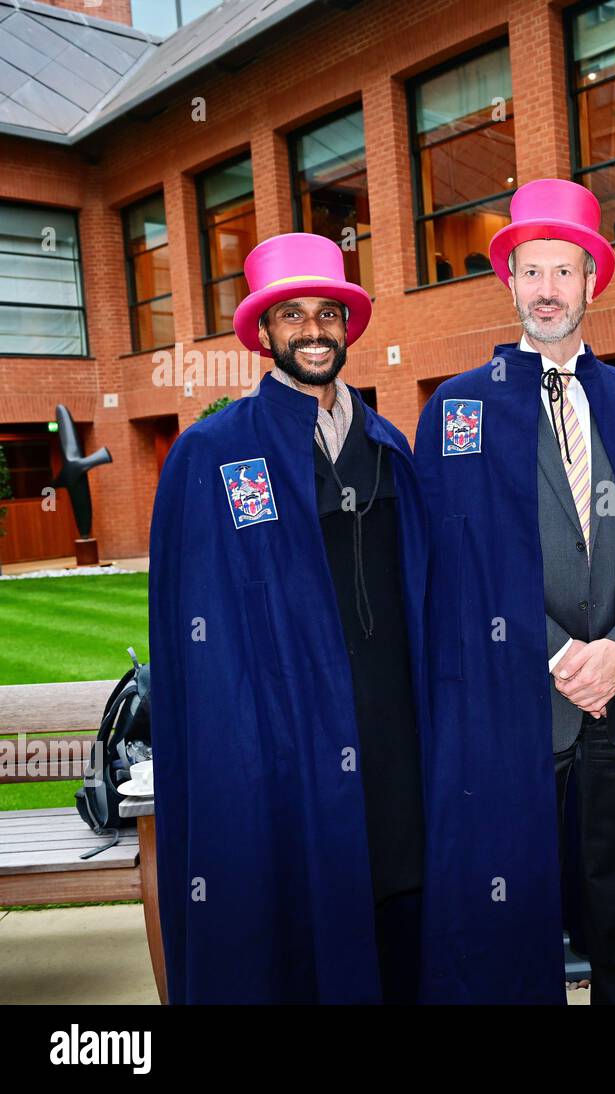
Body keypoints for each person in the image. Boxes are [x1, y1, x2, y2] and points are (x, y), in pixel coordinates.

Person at [414, 179, 615, 1004]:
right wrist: (561, 653)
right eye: (530, 272)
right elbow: (453, 561)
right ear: (509, 285)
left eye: (562, 272)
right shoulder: (459, 409)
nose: (546, 290)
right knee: (511, 911)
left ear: (591, 283)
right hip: (514, 705)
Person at [149, 233, 432, 1004]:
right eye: (293, 315)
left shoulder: (388, 445)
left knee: (392, 899)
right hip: (283, 739)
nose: (314, 330)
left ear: (347, 326)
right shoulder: (213, 453)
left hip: (389, 731)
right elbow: (196, 630)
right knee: (299, 917)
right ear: (265, 332)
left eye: (327, 314)